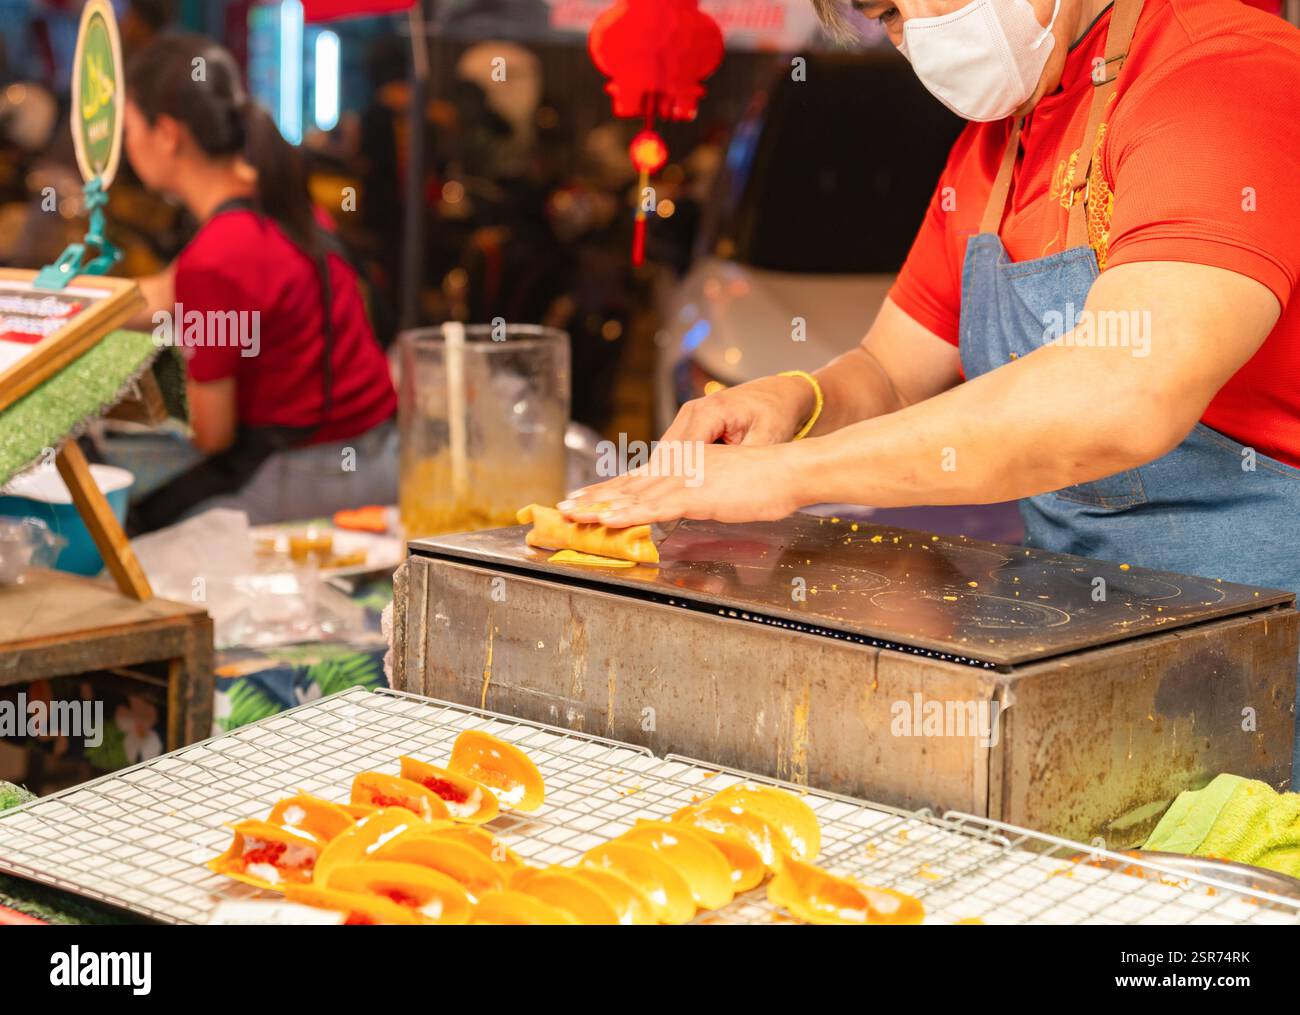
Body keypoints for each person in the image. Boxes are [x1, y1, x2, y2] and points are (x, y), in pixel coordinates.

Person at [561, 0, 1300, 781]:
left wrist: (786, 475)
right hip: (1085, 653)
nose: (915, 34)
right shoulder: (997, 146)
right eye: (888, 14)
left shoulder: (1221, 72)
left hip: (1268, 666)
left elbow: (1126, 390)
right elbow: (886, 369)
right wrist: (792, 398)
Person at [121, 35, 398, 532]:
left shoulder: (217, 257)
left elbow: (213, 435)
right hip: (378, 458)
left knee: (135, 524)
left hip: (310, 475)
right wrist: (56, 302)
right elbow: (167, 290)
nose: (125, 146)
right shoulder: (279, 206)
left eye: (128, 128)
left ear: (166, 134)